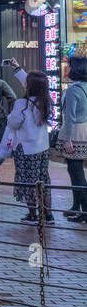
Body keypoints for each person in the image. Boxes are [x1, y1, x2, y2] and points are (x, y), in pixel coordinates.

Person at [3, 67, 53, 223]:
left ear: (29, 86)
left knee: (28, 182)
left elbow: (14, 122)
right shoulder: (45, 101)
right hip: (43, 148)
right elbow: (35, 81)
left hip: (25, 149)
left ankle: (32, 215)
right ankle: (48, 215)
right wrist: (18, 69)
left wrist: (10, 115)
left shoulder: (22, 104)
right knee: (43, 179)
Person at [63, 58, 87, 223]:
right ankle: (77, 206)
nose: (67, 68)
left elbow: (70, 116)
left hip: (75, 133)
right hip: (84, 130)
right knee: (77, 171)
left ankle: (84, 210)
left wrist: (67, 138)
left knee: (76, 172)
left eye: (69, 65)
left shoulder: (73, 90)